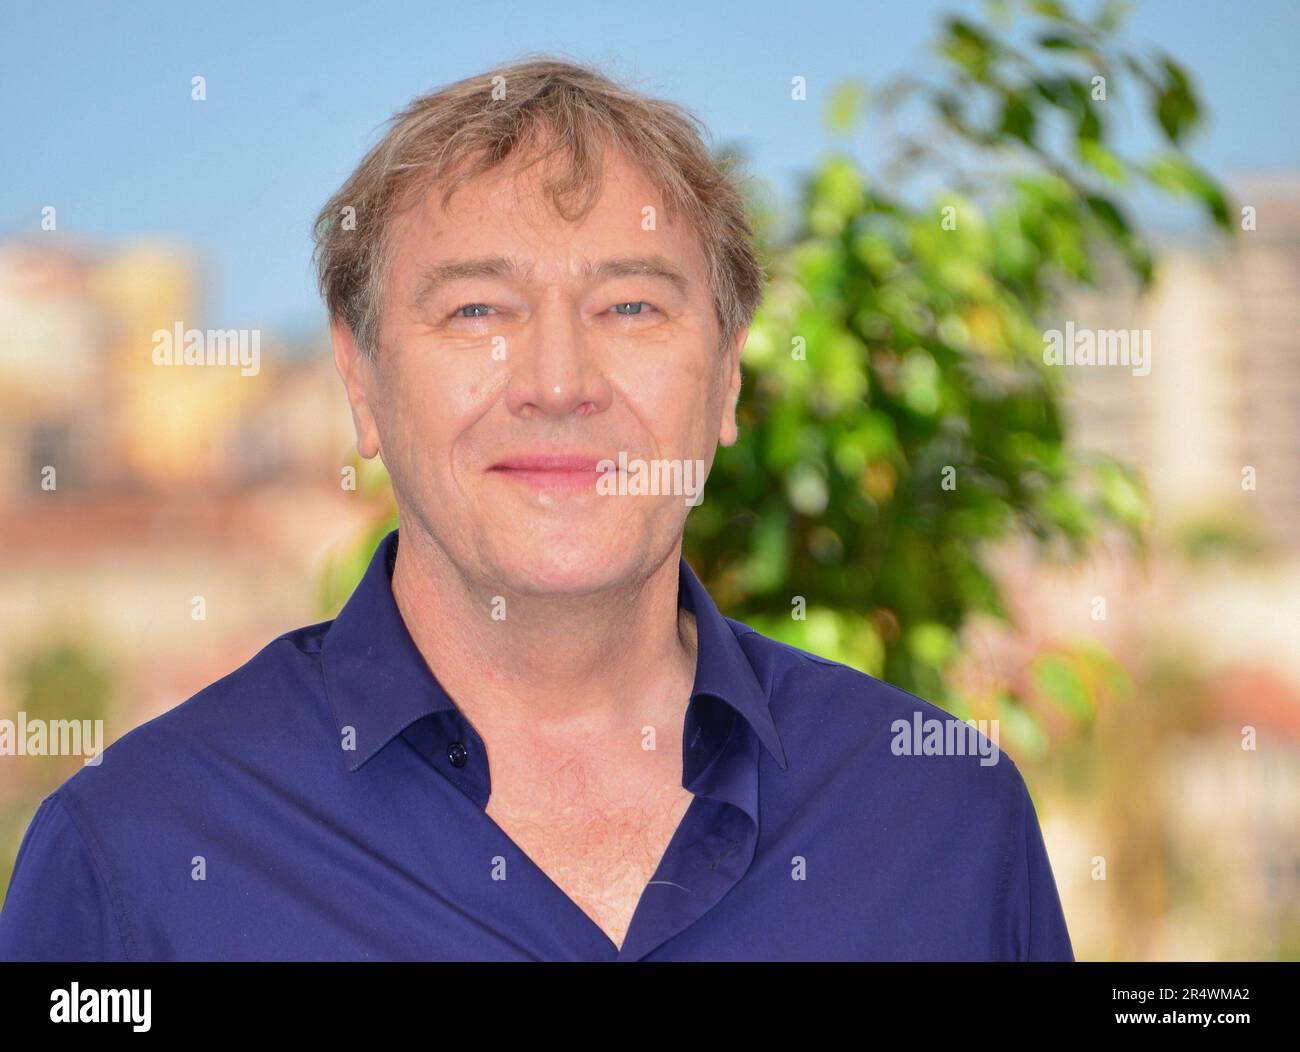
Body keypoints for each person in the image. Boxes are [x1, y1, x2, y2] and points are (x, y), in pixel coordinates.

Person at [0, 57, 1073, 961]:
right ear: (361, 379)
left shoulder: (946, 822)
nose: (558, 380)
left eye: (630, 305)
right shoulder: (131, 860)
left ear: (730, 378)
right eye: (477, 308)